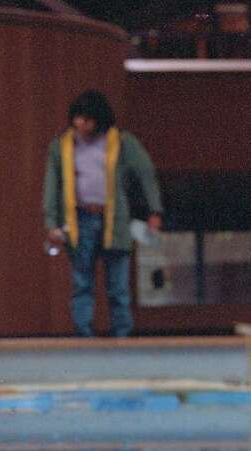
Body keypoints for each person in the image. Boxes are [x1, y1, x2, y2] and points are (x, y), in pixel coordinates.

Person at [43, 89, 163, 338]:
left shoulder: (120, 142)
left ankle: (122, 335)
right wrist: (52, 222)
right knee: (81, 284)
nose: (79, 124)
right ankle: (83, 336)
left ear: (98, 119)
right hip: (79, 220)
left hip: (113, 220)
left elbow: (145, 173)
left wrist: (154, 209)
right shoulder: (62, 145)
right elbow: (52, 186)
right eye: (76, 118)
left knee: (117, 286)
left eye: (86, 119)